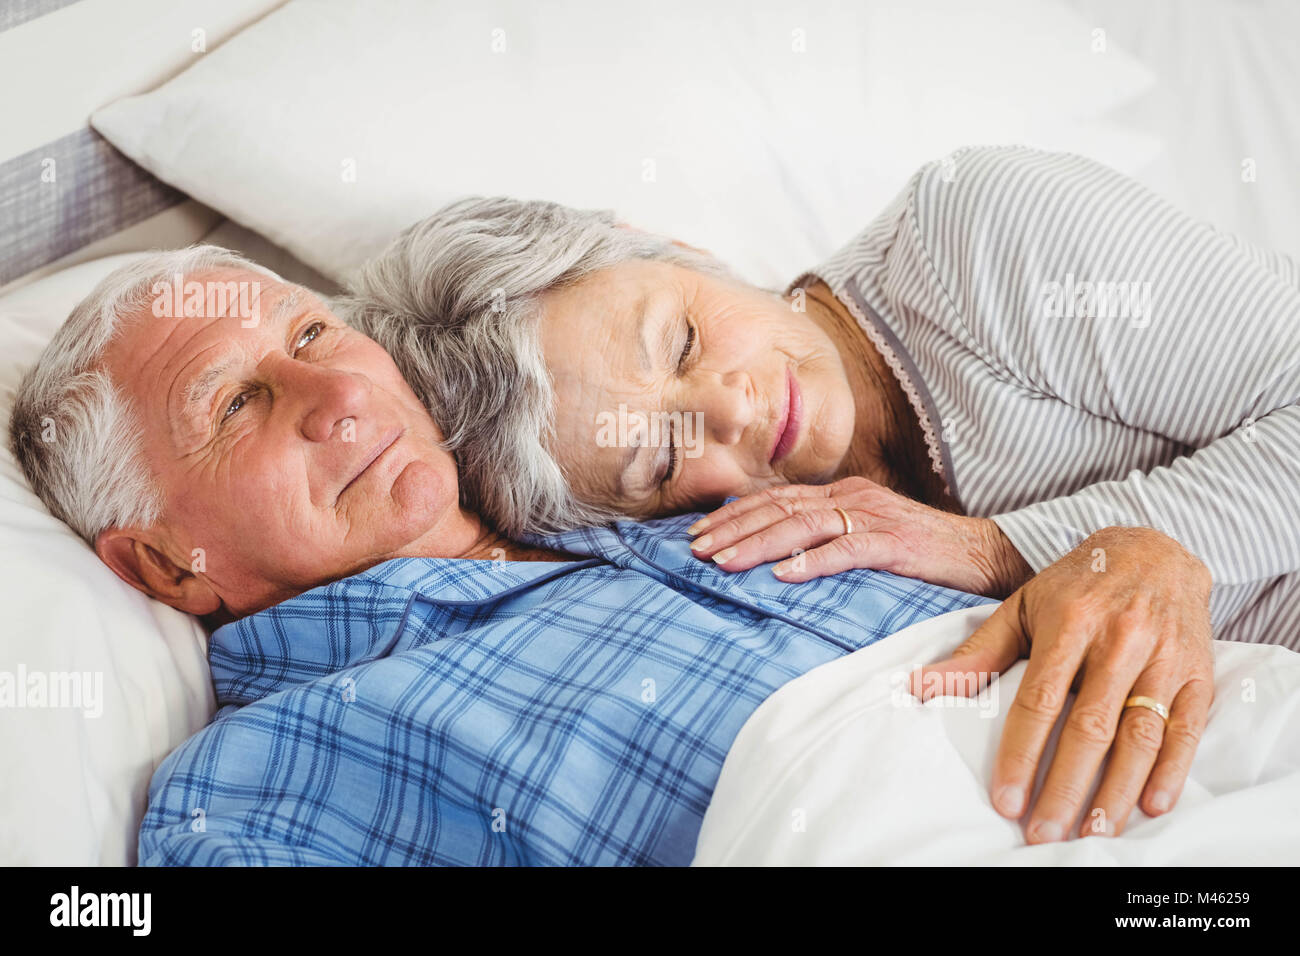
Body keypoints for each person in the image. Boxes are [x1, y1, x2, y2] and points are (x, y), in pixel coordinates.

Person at [7, 248, 1001, 864]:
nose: (337, 393)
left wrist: (1117, 562)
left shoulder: (633, 476)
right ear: (166, 565)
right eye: (234, 403)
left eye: (312, 332)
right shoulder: (254, 793)